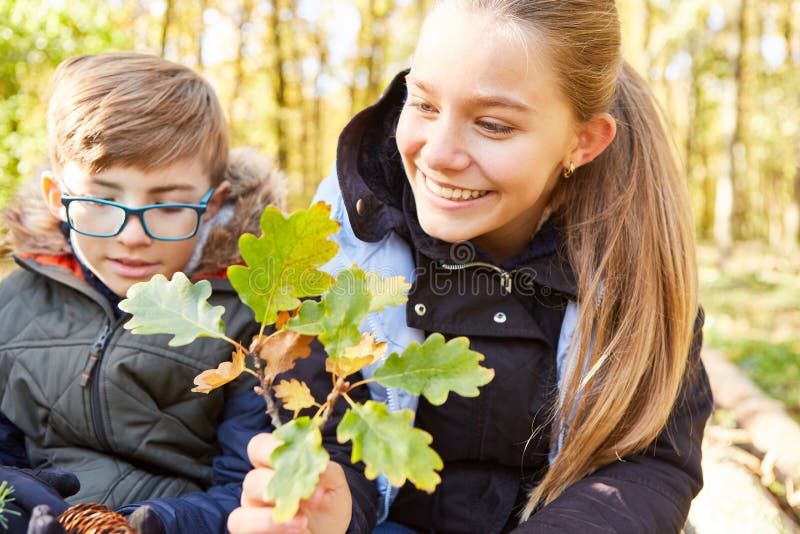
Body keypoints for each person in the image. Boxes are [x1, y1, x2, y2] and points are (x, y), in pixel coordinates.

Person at [228, 0, 714, 532]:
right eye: (424, 104)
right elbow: (328, 422)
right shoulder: (339, 243)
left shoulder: (633, 265)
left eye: (493, 125)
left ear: (583, 141)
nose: (438, 155)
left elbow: (648, 463)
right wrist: (335, 506)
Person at [0, 52, 287, 533]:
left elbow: (250, 486)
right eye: (103, 199)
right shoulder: (15, 302)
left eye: (169, 204)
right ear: (58, 197)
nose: (132, 234)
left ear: (211, 202)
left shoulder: (249, 324)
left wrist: (157, 524)